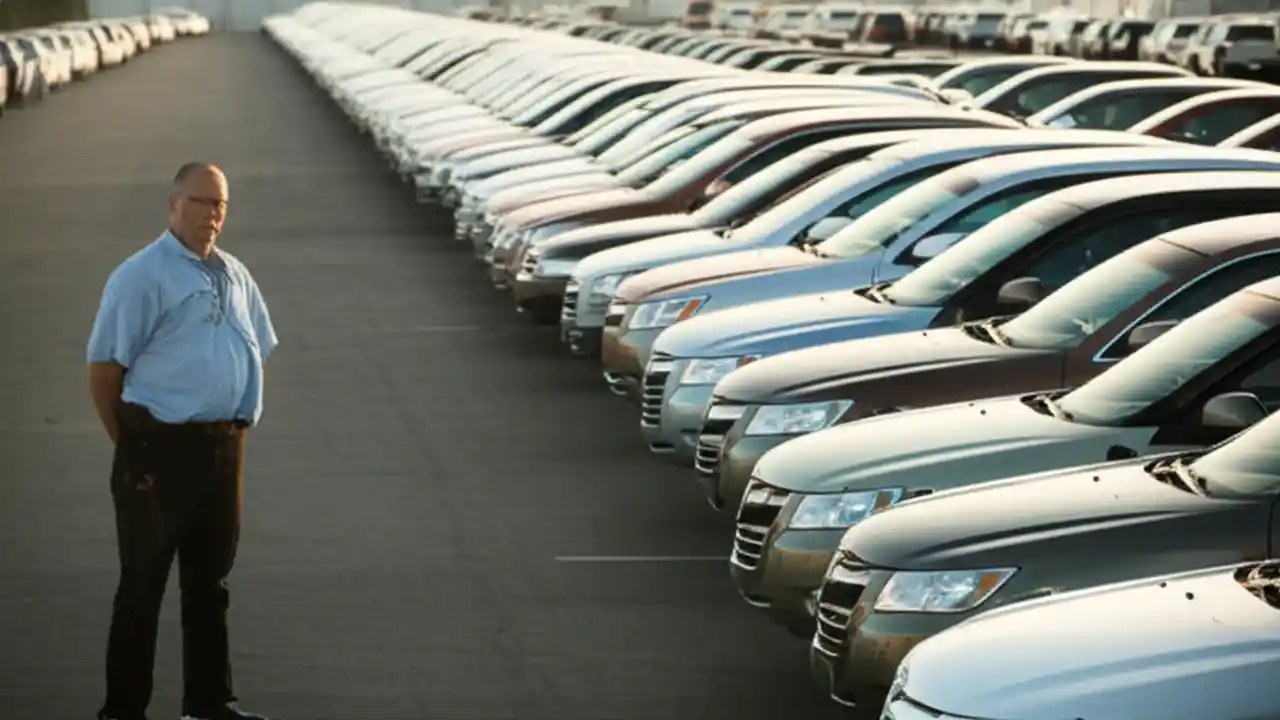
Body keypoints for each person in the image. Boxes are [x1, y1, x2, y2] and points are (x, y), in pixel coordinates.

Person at [87, 163, 278, 720]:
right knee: (142, 589)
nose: (211, 215)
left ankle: (209, 702)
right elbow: (104, 370)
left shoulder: (235, 273)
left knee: (209, 584)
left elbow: (255, 343)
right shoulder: (141, 276)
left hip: (222, 449)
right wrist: (133, 446)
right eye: (200, 202)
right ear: (173, 205)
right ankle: (122, 711)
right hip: (157, 452)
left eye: (220, 205)